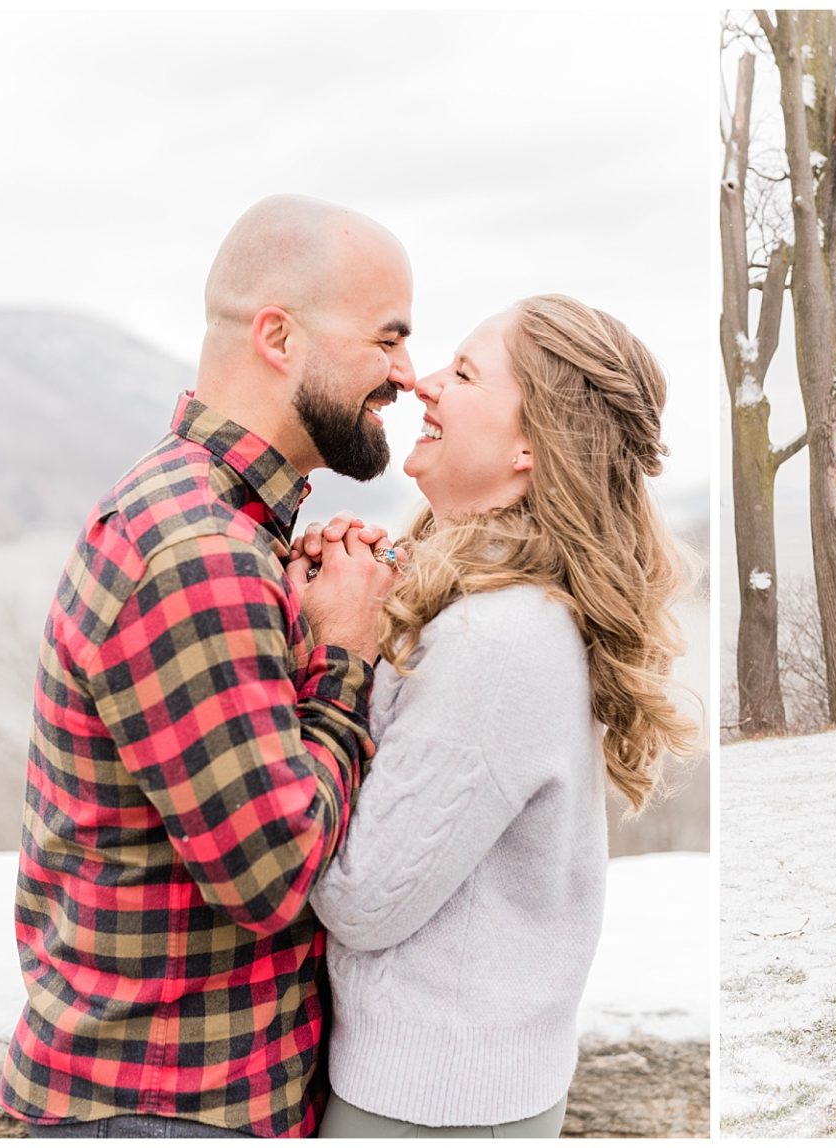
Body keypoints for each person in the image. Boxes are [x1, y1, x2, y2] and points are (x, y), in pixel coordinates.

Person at [0, 195, 415, 1138]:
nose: (407, 374)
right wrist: (344, 651)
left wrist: (306, 626)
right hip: (166, 1111)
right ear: (279, 336)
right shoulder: (199, 550)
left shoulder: (219, 525)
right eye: (388, 341)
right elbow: (273, 870)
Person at [295, 296, 698, 1137]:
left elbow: (363, 899)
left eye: (466, 373)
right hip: (449, 1089)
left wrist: (346, 657)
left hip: (427, 1104)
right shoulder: (483, 605)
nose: (425, 384)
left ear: (532, 446)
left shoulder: (501, 636)